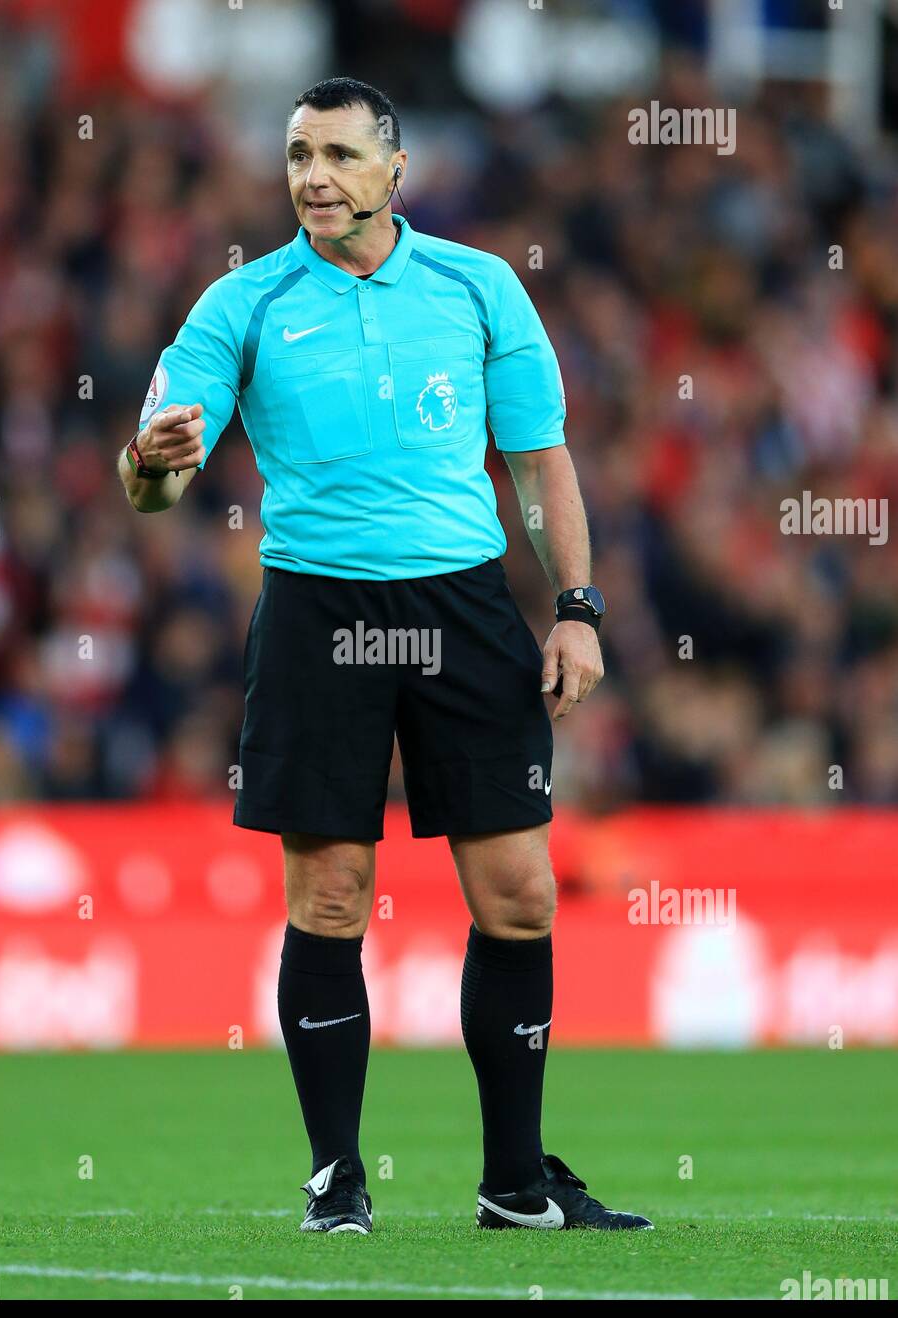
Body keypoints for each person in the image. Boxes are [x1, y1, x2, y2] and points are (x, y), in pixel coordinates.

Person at [118, 77, 651, 1235]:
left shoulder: (478, 286)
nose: (313, 175)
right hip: (316, 614)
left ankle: (514, 1182)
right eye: (298, 153)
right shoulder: (241, 304)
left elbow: (539, 463)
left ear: (394, 170)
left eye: (340, 155)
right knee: (329, 897)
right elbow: (155, 485)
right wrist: (154, 460)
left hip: (462, 611)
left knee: (516, 896)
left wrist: (575, 607)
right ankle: (335, 1179)